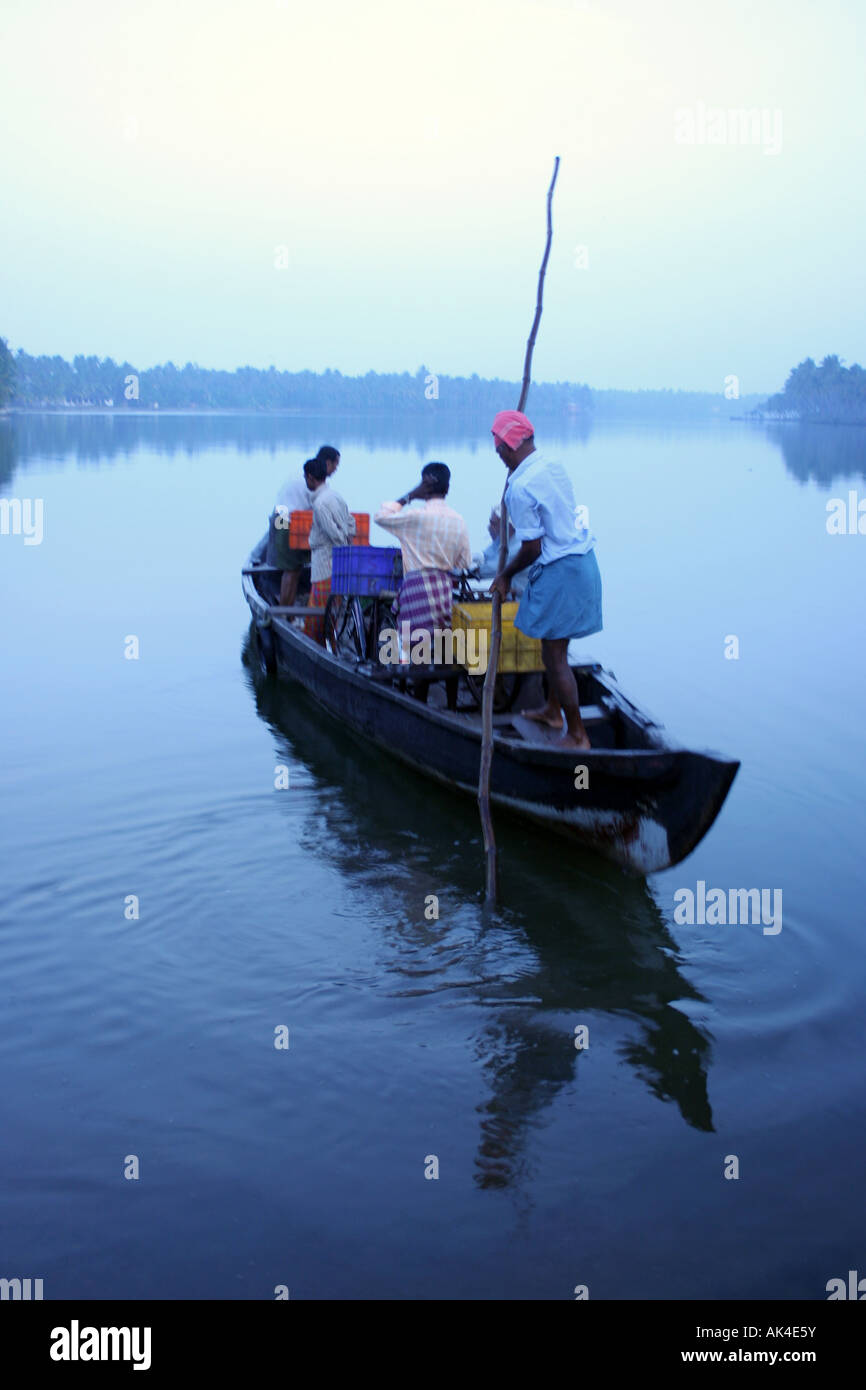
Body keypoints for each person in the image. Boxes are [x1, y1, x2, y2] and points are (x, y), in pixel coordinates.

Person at [488, 409, 602, 750]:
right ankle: (554, 712)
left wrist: (505, 574)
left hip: (560, 571)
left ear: (508, 447)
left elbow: (533, 547)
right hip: (584, 562)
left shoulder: (519, 486)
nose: (500, 459)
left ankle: (578, 735)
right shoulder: (552, 465)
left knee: (554, 656)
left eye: (499, 452)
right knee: (554, 646)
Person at [374, 462, 472, 707]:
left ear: (424, 486)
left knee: (418, 650)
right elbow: (465, 562)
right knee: (445, 648)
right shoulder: (458, 520)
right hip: (443, 587)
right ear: (447, 488)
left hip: (416, 586)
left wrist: (410, 495)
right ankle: (451, 707)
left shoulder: (414, 517)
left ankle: (419, 704)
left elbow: (381, 516)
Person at [304, 456, 356, 643]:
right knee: (332, 614)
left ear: (310, 477)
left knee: (317, 617)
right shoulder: (335, 496)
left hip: (325, 565)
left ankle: (317, 646)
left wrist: (343, 542)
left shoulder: (320, 504)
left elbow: (335, 535)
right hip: (339, 566)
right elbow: (351, 523)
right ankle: (331, 645)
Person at [268, 461, 317, 608]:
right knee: (291, 569)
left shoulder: (295, 477)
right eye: (335, 465)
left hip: (281, 517)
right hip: (290, 522)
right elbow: (314, 509)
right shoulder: (311, 483)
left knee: (291, 568)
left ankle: (285, 610)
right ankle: (283, 612)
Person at [475, 507, 529, 596]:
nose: (489, 527)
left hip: (519, 600)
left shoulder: (519, 546)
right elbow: (485, 556)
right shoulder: (500, 541)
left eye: (493, 523)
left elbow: (494, 568)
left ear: (507, 525)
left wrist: (472, 569)